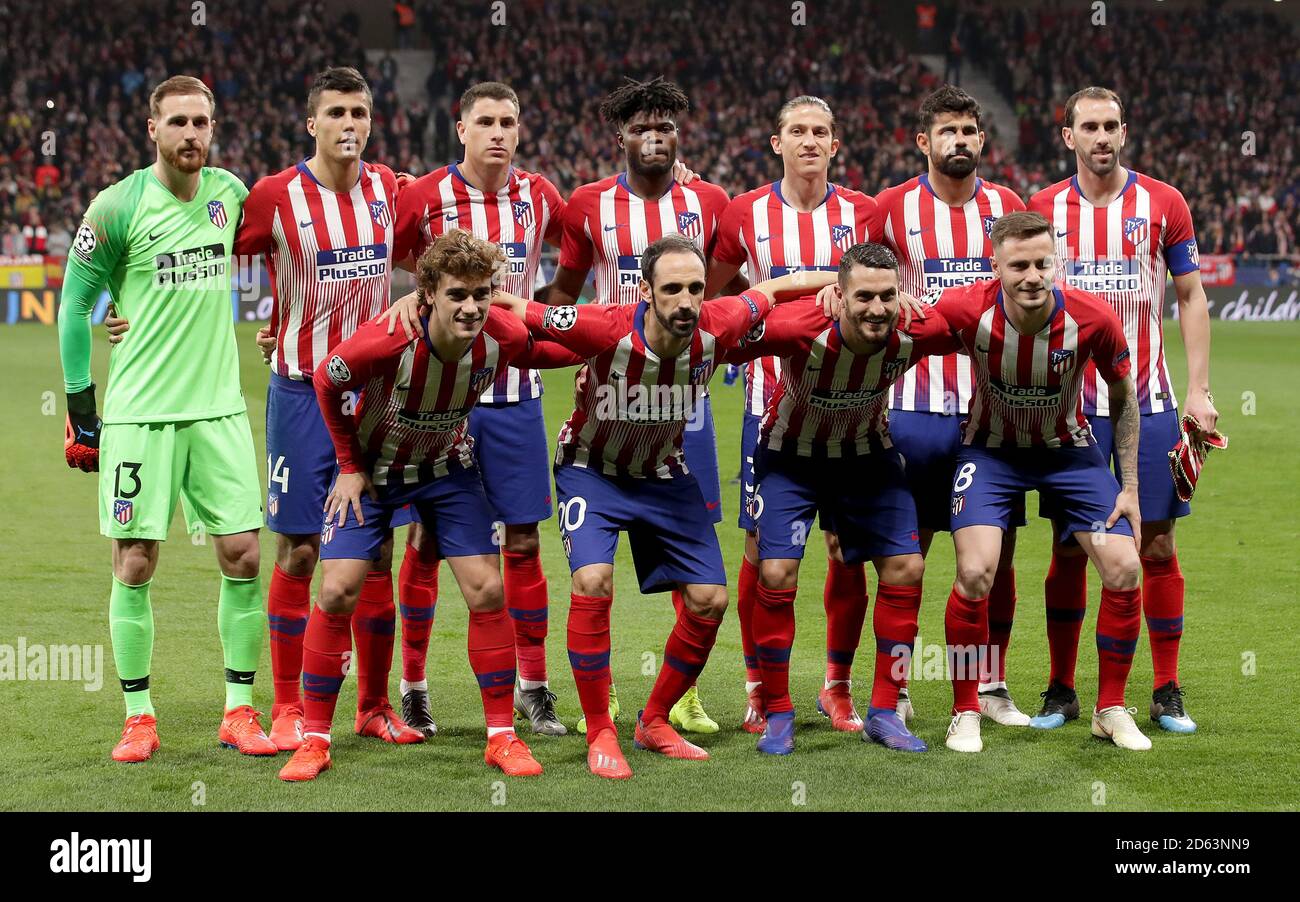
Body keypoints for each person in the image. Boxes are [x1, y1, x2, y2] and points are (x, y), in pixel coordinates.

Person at [495, 234, 837, 778]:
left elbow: (773, 288)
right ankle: (600, 730)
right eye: (672, 288)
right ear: (647, 291)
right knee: (592, 582)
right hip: (592, 471)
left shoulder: (718, 324)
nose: (685, 301)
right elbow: (515, 308)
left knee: (709, 598)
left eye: (696, 289)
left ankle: (653, 720)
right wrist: (422, 300)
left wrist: (841, 286)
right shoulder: (604, 325)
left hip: (664, 473)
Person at [279, 230, 581, 781]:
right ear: (428, 297)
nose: (471, 307)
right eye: (457, 295)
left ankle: (501, 736)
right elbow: (326, 378)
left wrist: (613, 337)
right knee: (337, 587)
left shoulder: (500, 333)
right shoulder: (388, 339)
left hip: (447, 471)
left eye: (482, 293)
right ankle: (316, 739)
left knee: (487, 588)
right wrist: (347, 466)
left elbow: (556, 348)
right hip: (373, 475)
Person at [59, 75, 270, 763]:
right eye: (176, 121)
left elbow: (287, 257)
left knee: (242, 555)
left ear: (214, 127)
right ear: (151, 128)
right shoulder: (117, 207)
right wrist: (81, 410)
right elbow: (73, 307)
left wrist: (281, 327)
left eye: (200, 122)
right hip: (140, 415)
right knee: (135, 563)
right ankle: (139, 717)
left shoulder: (231, 196)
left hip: (218, 410)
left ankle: (239, 710)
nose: (190, 134)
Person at [1028, 87, 1215, 733]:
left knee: (1157, 545)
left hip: (1152, 398)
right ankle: (1060, 689)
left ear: (1124, 132)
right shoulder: (1043, 208)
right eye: (1089, 126)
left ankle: (1165, 689)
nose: (1101, 137)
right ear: (1069, 136)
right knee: (1069, 547)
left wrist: (1198, 389)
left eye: (1111, 126)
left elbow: (1190, 296)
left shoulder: (1164, 202)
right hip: (1071, 407)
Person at [546, 77, 730, 735]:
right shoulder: (588, 204)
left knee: (695, 557)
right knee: (597, 562)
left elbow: (728, 287)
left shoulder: (710, 201)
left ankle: (683, 695)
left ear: (680, 135)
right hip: (612, 391)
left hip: (685, 409)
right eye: (641, 127)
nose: (655, 137)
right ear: (619, 136)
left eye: (666, 126)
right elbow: (564, 290)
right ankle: (608, 697)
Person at [931, 211, 1150, 753]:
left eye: (1042, 263)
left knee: (1124, 567)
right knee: (977, 570)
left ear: (1058, 262)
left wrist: (1129, 487)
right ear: (995, 266)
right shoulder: (965, 309)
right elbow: (902, 339)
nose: (1032, 276)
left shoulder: (1094, 319)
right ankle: (966, 709)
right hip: (990, 453)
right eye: (1019, 265)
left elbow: (1124, 398)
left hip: (1068, 457)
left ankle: (1111, 708)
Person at [393, 81, 569, 736]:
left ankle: (534, 685)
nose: (498, 132)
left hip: (515, 397)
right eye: (486, 121)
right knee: (429, 538)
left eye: (509, 122)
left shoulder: (540, 196)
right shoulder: (424, 196)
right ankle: (413, 685)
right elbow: (383, 265)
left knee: (522, 541)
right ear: (459, 127)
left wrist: (538, 313)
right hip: (438, 402)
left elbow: (578, 261)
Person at [705, 94, 883, 734]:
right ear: (776, 143)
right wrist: (746, 338)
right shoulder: (745, 212)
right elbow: (716, 286)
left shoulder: (863, 214)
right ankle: (760, 687)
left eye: (822, 133)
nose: (810, 141)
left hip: (847, 409)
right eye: (798, 132)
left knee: (846, 548)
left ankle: (836, 687)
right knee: (763, 549)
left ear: (836, 145)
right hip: (769, 411)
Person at [724, 242, 946, 755]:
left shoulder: (918, 329)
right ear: (838, 297)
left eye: (888, 296)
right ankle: (778, 713)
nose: (877, 309)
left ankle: (886, 712)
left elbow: (981, 309)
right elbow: (721, 335)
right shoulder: (796, 329)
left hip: (867, 453)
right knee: (775, 573)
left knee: (906, 567)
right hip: (789, 455)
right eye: (863, 296)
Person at [874, 85, 1030, 726]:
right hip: (911, 408)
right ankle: (898, 689)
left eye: (969, 130)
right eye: (947, 132)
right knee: (908, 556)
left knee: (996, 557)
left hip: (992, 414)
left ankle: (988, 688)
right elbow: (862, 289)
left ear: (981, 139)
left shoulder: (1008, 208)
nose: (959, 141)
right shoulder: (891, 208)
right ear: (923, 142)